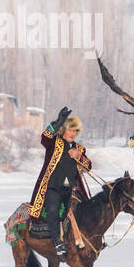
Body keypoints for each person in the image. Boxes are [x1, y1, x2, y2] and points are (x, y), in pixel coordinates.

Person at [28, 106, 92, 257]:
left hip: (71, 189)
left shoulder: (79, 149)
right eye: (70, 130)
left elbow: (88, 166)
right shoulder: (54, 143)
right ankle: (57, 242)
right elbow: (45, 136)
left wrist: (78, 156)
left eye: (75, 131)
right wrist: (57, 122)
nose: (73, 134)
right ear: (64, 130)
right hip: (52, 187)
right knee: (53, 210)